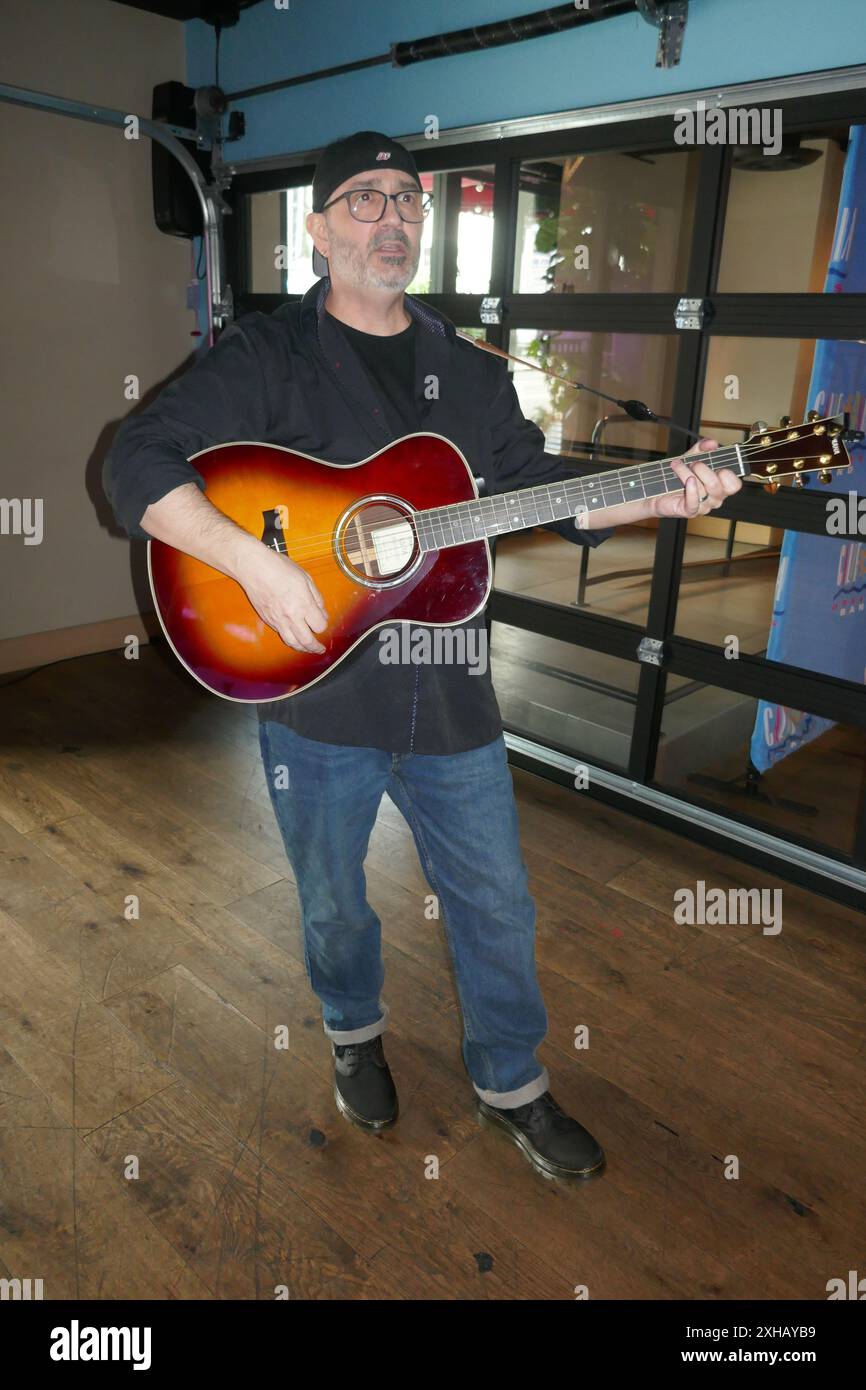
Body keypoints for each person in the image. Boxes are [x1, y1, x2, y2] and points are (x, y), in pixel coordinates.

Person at [103, 129, 742, 1183]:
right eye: (363, 200)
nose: (391, 216)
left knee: (495, 899)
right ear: (315, 230)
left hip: (450, 702)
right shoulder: (267, 357)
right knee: (332, 898)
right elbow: (136, 459)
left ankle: (513, 1084)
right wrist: (250, 565)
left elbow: (545, 489)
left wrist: (661, 489)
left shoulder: (470, 372)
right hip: (311, 699)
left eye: (407, 200)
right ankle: (353, 1029)